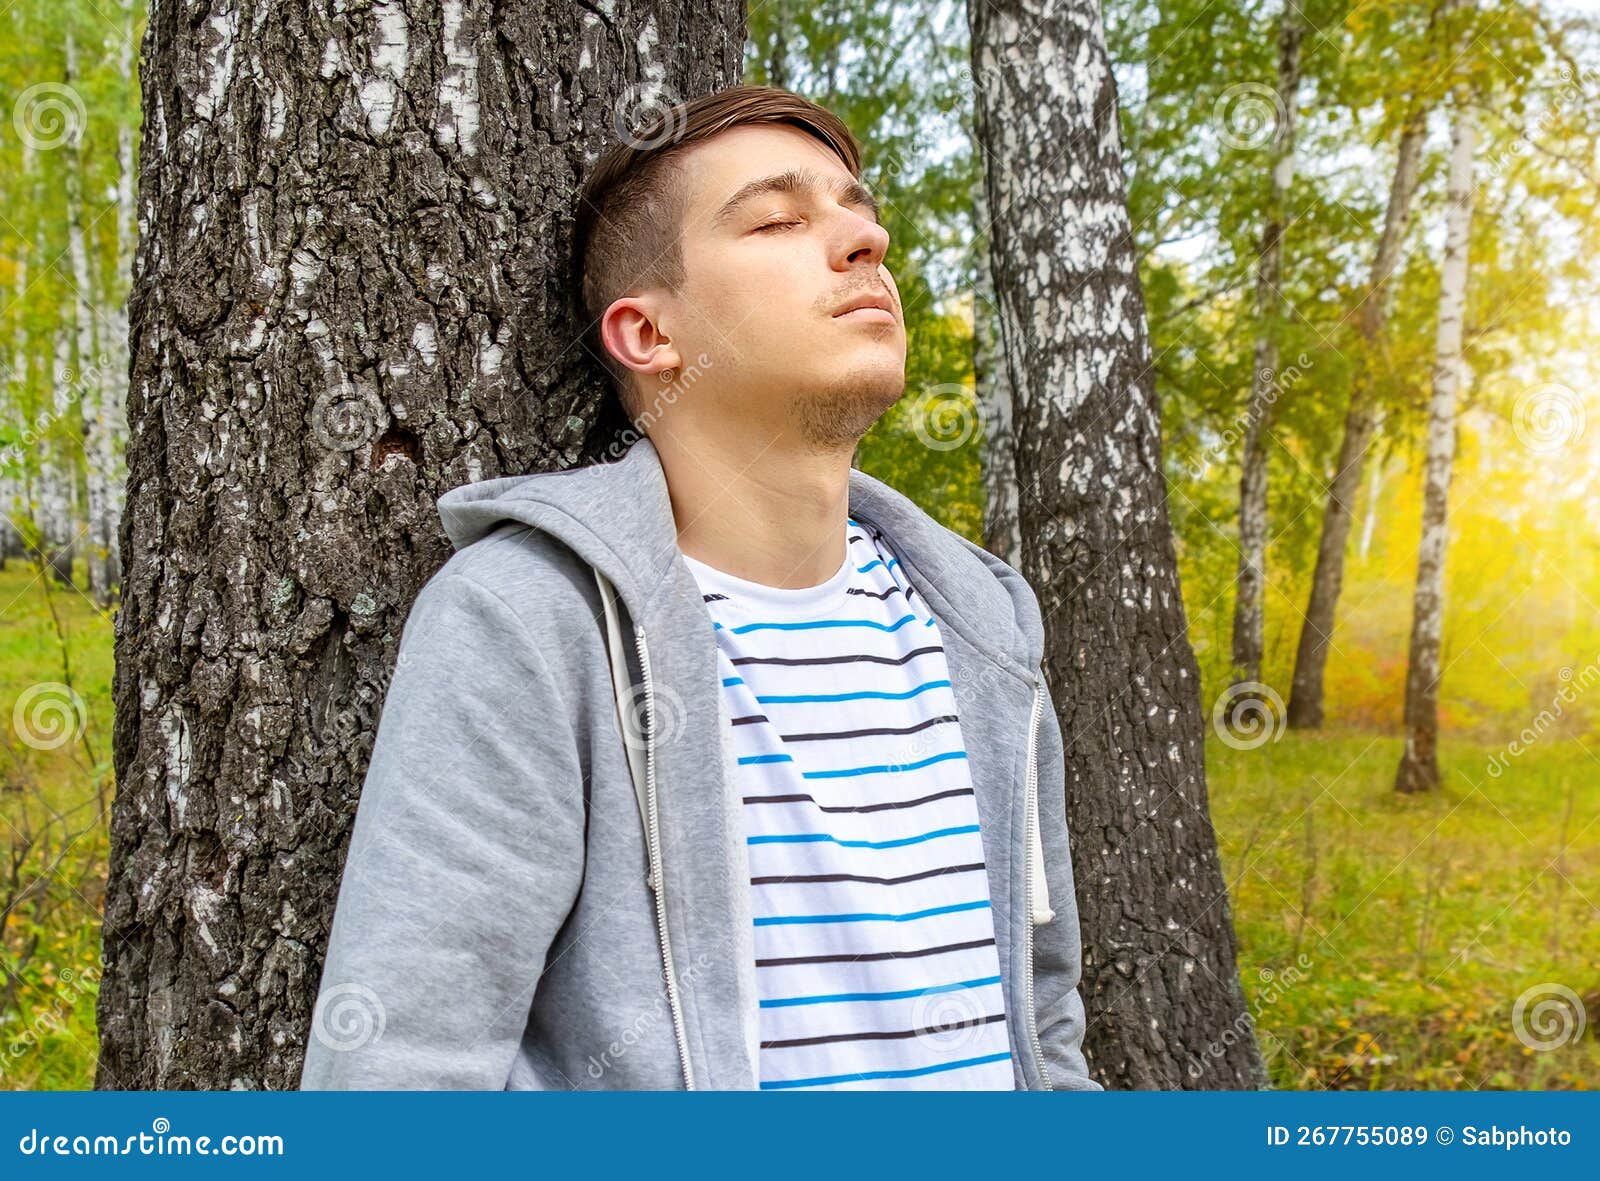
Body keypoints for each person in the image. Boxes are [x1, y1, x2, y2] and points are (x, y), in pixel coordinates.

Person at [299, 84, 1098, 1092]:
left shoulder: (981, 623)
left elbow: (1045, 1016)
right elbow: (400, 1069)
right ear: (648, 335)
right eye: (778, 218)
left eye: (857, 210)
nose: (864, 240)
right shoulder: (530, 622)